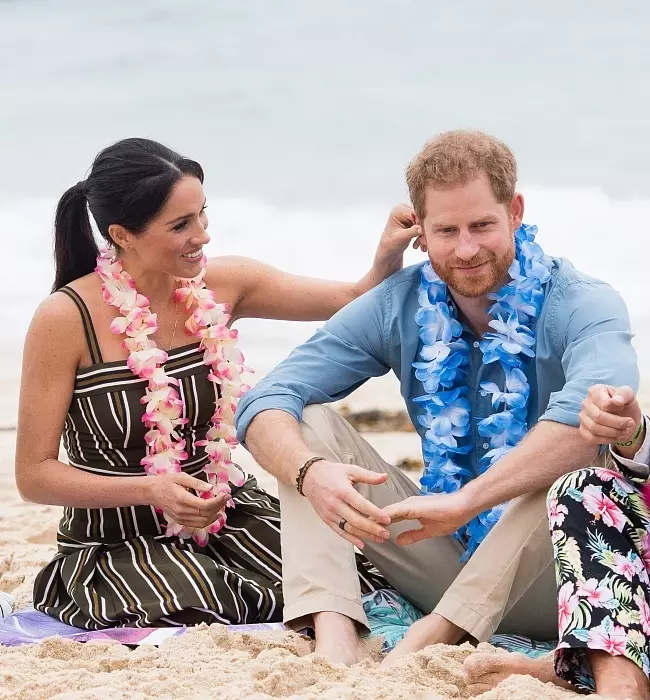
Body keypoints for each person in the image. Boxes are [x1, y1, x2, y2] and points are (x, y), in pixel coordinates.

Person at [235, 130, 639, 676]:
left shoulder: (585, 302)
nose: (467, 248)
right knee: (305, 422)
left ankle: (436, 631)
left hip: (564, 580)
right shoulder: (398, 304)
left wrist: (466, 501)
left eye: (482, 225)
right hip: (444, 555)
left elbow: (587, 424)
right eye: (447, 230)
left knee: (579, 455)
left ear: (515, 212)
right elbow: (266, 399)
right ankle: (334, 632)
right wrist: (310, 474)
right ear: (420, 231)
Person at [15, 137, 420, 629]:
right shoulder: (65, 318)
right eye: (181, 225)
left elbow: (356, 299)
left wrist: (387, 253)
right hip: (119, 539)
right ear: (122, 234)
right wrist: (151, 489)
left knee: (362, 576)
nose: (203, 236)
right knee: (205, 605)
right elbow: (34, 475)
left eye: (203, 215)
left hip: (230, 516)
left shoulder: (223, 285)